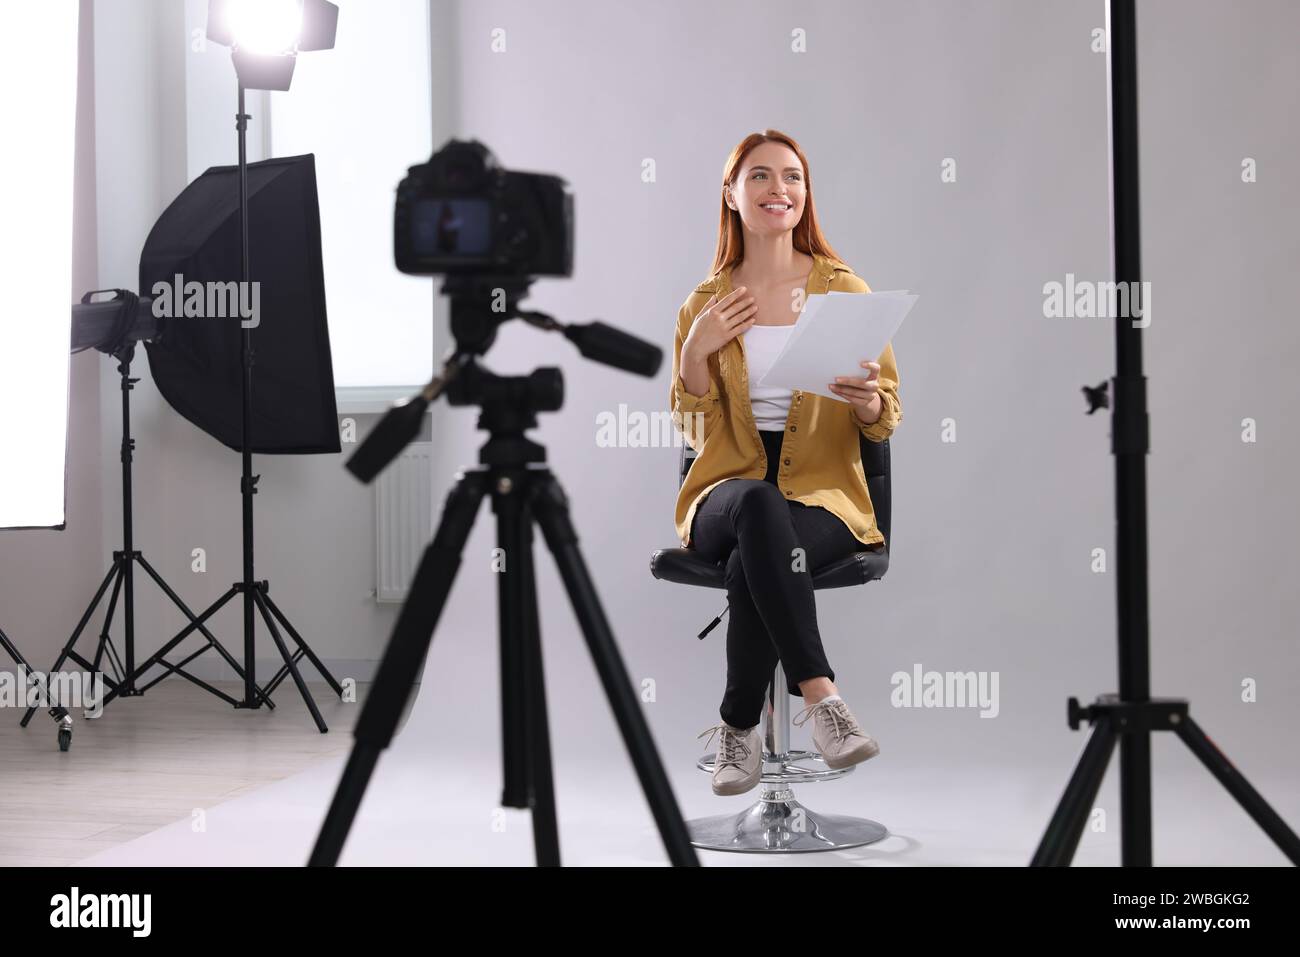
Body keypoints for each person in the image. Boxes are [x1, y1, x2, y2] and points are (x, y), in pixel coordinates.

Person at [669, 130, 903, 796]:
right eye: (762, 176)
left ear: (806, 194)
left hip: (823, 495)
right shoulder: (705, 303)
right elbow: (690, 429)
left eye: (793, 177)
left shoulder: (842, 289)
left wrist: (865, 405)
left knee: (755, 557)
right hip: (725, 490)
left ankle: (737, 725)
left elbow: (886, 415)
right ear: (732, 192)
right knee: (755, 503)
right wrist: (695, 352)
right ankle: (822, 696)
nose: (780, 190)